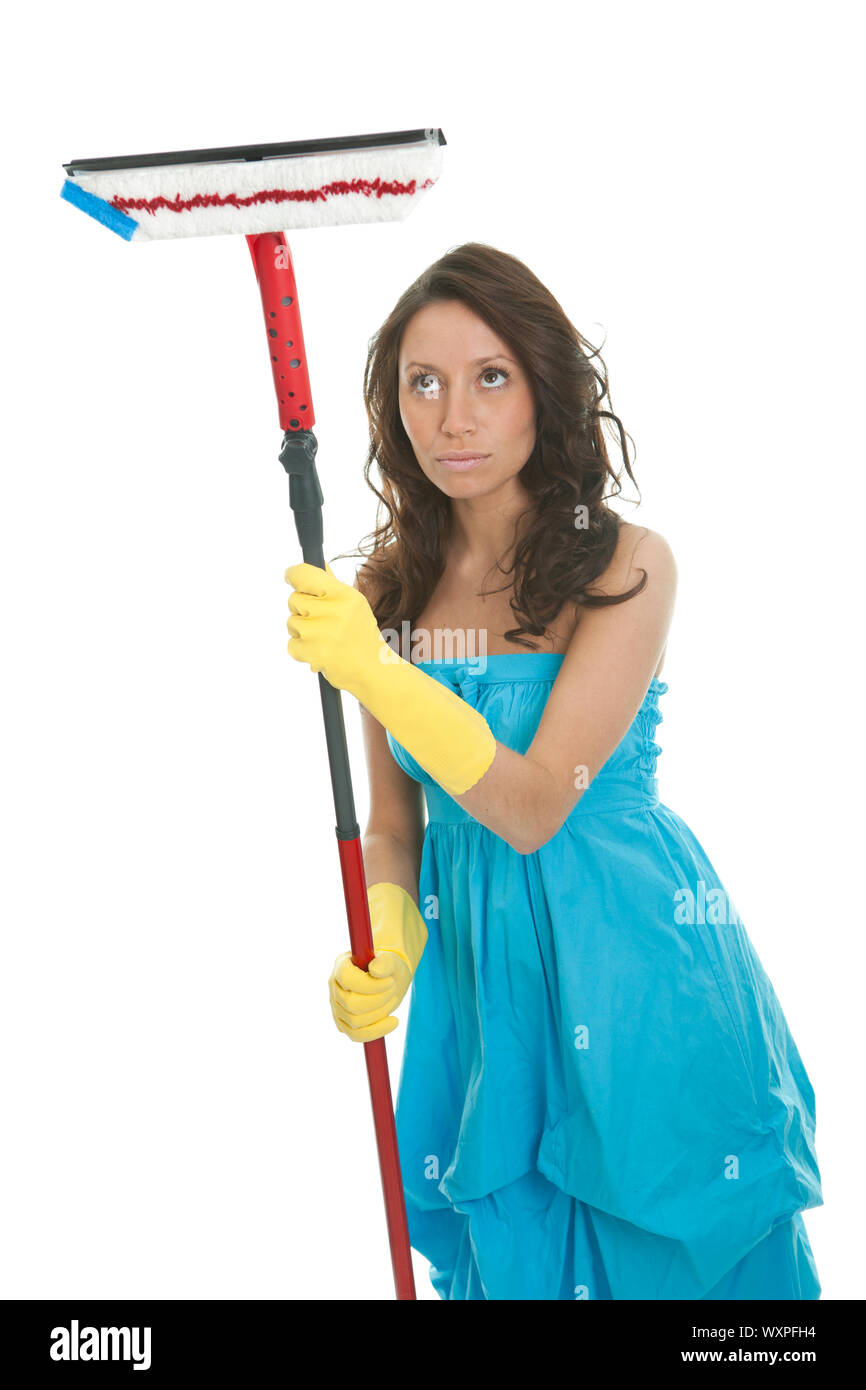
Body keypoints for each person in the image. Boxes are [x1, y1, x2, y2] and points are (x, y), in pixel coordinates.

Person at [284, 242, 823, 1301]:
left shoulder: (625, 563)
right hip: (482, 992)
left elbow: (530, 806)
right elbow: (396, 823)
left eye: (490, 377)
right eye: (422, 384)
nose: (454, 418)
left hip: (633, 971)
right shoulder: (387, 597)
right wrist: (389, 929)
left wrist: (372, 670)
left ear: (543, 387)